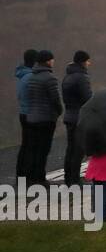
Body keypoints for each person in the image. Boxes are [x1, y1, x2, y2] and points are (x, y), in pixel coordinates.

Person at [22, 50, 62, 186]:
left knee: (33, 148)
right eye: (52, 59)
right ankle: (40, 178)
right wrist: (59, 112)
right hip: (46, 119)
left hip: (32, 118)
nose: (53, 61)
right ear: (48, 61)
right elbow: (55, 99)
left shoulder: (32, 77)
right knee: (43, 150)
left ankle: (31, 177)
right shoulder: (50, 78)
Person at [60, 51, 92, 185]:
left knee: (70, 149)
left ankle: (68, 178)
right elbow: (87, 98)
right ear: (83, 61)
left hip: (69, 116)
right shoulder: (82, 77)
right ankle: (75, 179)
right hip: (80, 118)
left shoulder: (67, 77)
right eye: (88, 61)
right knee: (78, 150)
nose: (89, 63)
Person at [14, 49, 37, 183]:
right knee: (31, 145)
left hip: (23, 112)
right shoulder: (30, 77)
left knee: (25, 145)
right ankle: (27, 176)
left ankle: (21, 174)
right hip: (30, 113)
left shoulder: (22, 76)